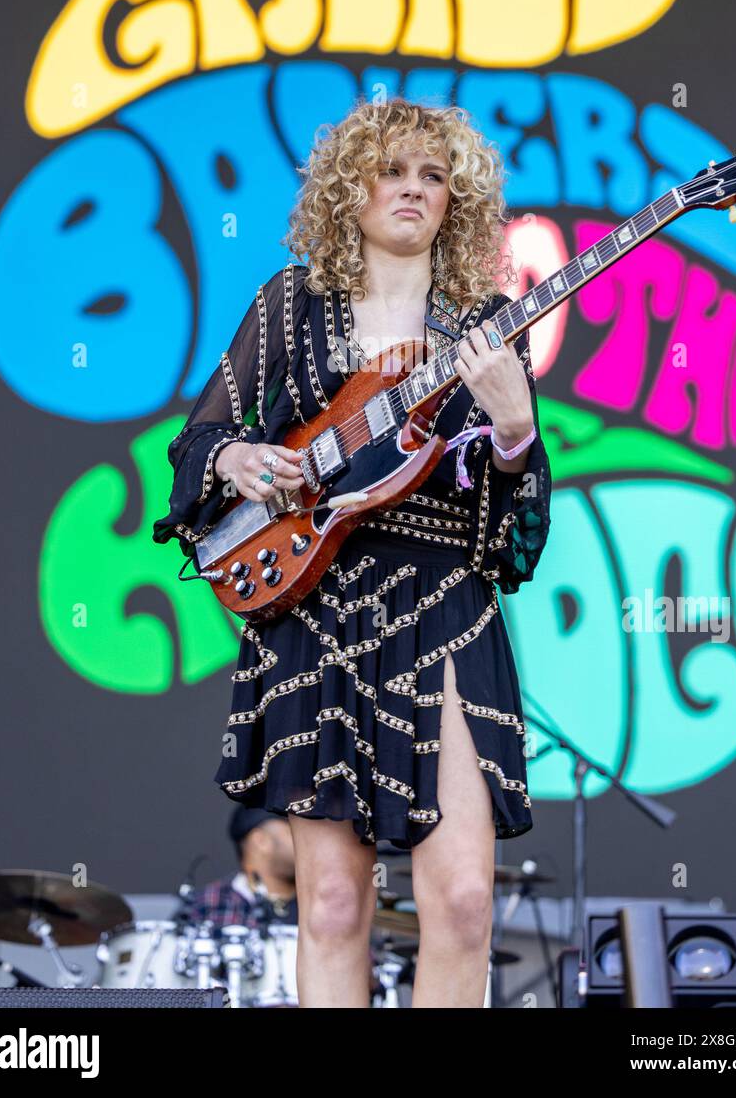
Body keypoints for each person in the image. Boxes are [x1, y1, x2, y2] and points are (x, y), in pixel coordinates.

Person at [153, 97, 552, 1007]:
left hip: (444, 605)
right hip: (315, 606)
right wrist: (237, 456)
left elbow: (517, 525)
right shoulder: (292, 305)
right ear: (351, 188)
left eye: (434, 176)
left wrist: (516, 429)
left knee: (459, 904)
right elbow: (196, 445)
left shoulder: (486, 320)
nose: (413, 189)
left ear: (459, 202)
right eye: (393, 171)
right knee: (331, 904)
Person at [184, 805, 298, 930]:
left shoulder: (319, 902)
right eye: (293, 832)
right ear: (260, 840)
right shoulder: (209, 904)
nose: (306, 843)